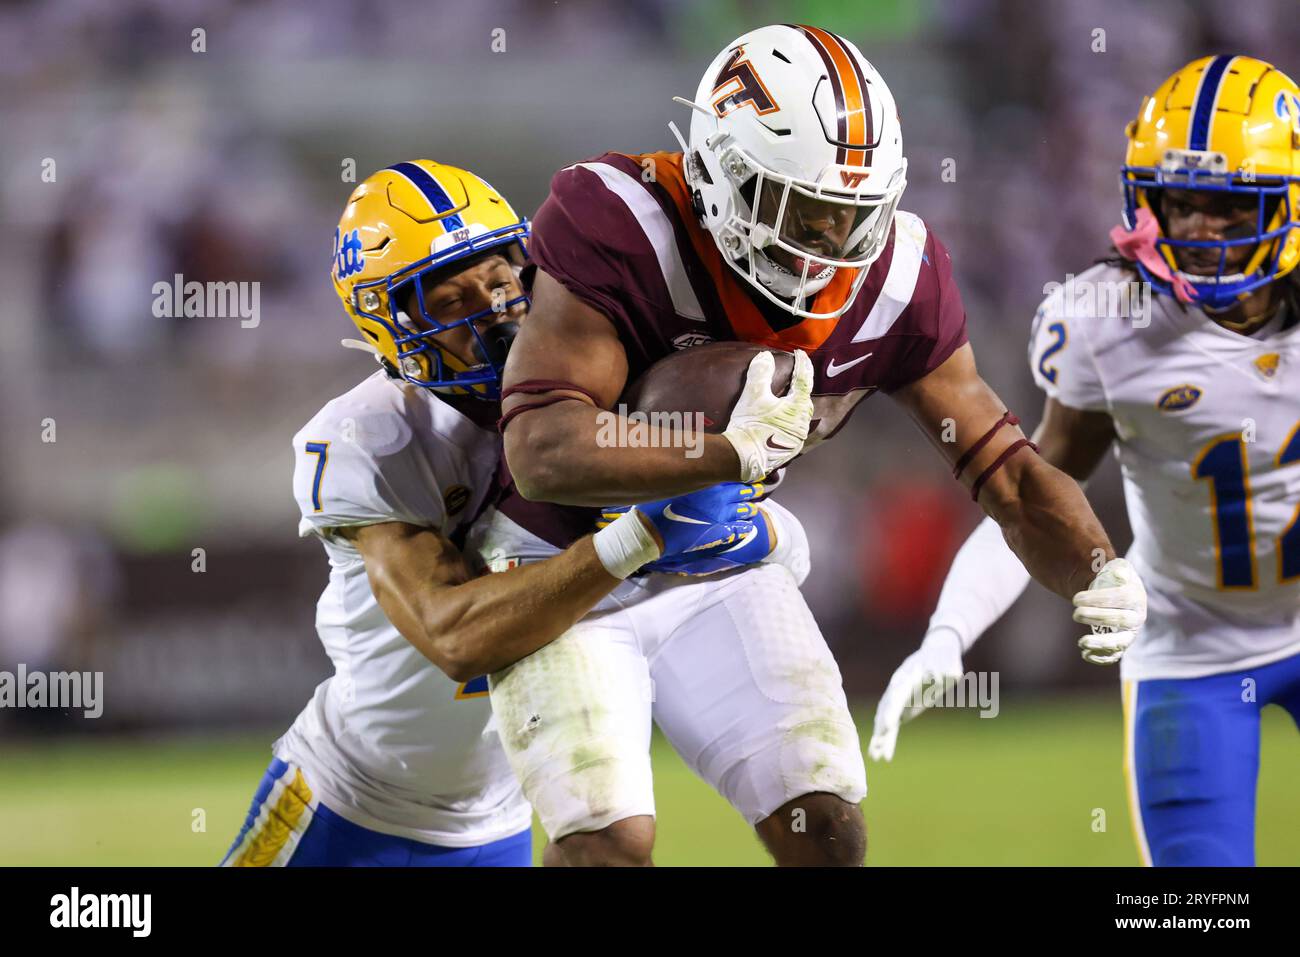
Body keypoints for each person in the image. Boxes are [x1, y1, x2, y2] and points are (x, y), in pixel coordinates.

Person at [478, 24, 1146, 867]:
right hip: (562, 563)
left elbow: (1004, 468)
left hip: (713, 552)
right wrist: (722, 452)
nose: (828, 244)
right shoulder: (621, 218)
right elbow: (541, 446)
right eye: (802, 210)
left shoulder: (897, 275)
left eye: (850, 215)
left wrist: (1096, 563)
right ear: (719, 170)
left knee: (825, 826)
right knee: (608, 845)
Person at [221, 160, 793, 866]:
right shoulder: (370, 435)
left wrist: (748, 520)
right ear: (390, 323)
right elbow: (456, 634)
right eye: (451, 301)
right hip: (352, 804)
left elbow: (764, 551)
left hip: (498, 819)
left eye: (499, 279)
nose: (493, 309)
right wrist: (640, 536)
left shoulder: (593, 391)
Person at [871, 56, 1300, 867]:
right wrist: (948, 634)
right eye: (1180, 204)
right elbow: (1029, 496)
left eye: (1227, 206)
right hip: (1192, 649)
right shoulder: (1108, 323)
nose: (1200, 231)